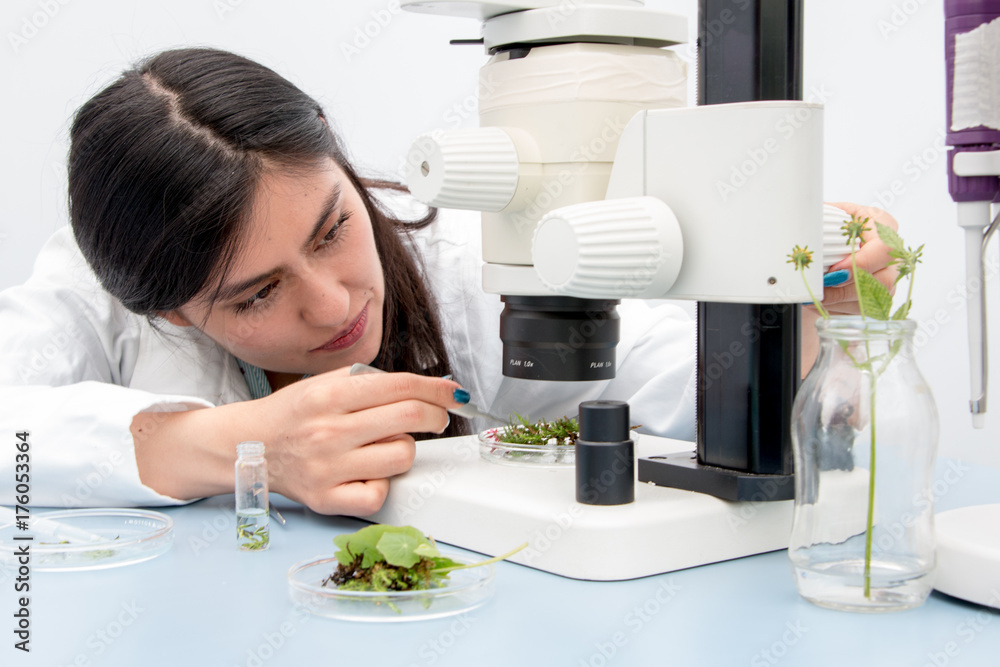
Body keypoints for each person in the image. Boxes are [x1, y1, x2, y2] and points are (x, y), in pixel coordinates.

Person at [0, 48, 899, 516]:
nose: (335, 302)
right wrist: (241, 448)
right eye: (254, 295)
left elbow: (691, 383)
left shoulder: (466, 265)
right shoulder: (100, 290)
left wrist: (813, 320)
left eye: (333, 228)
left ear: (347, 170)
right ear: (170, 310)